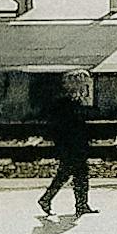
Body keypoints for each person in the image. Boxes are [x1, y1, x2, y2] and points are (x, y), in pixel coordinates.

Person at [35, 70, 95, 220]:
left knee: (76, 172)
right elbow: (65, 126)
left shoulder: (69, 101)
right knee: (69, 172)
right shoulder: (65, 103)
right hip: (70, 144)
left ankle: (80, 204)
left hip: (73, 143)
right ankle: (49, 199)